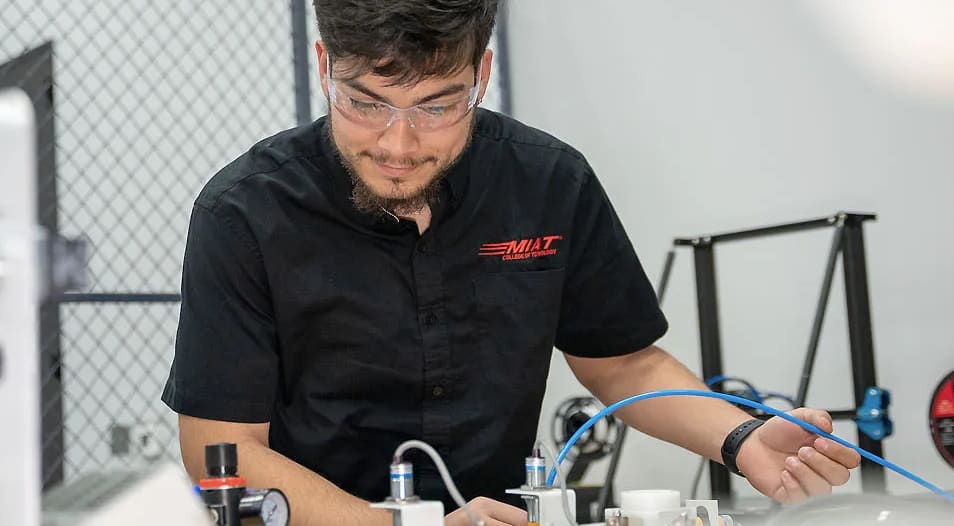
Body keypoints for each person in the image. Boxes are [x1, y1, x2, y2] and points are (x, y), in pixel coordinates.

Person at [161, 1, 861, 525]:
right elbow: (220, 448)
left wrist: (740, 439)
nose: (398, 144)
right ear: (324, 67)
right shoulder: (245, 213)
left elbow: (623, 364)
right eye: (365, 103)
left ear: (482, 75)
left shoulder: (549, 183)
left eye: (436, 107)